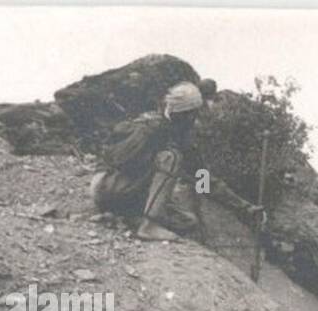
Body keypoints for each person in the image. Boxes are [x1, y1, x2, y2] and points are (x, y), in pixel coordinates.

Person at [91, 81, 260, 241]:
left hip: (118, 188)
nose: (196, 119)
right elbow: (120, 162)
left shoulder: (170, 131)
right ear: (187, 115)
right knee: (171, 158)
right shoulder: (155, 129)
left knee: (188, 221)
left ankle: (128, 215)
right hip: (108, 185)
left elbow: (203, 182)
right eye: (195, 114)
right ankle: (148, 226)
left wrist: (244, 207)